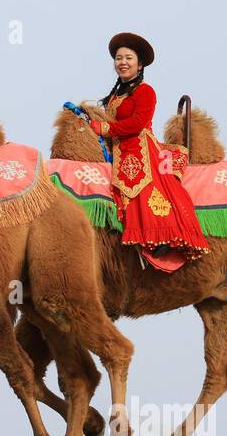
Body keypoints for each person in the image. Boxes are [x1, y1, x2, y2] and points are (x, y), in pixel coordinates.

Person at [88, 33, 209, 270]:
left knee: (144, 187)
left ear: (139, 64)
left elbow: (137, 123)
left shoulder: (146, 92)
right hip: (118, 147)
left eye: (128, 58)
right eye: (118, 58)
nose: (122, 62)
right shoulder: (115, 95)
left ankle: (160, 237)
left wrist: (103, 128)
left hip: (139, 147)